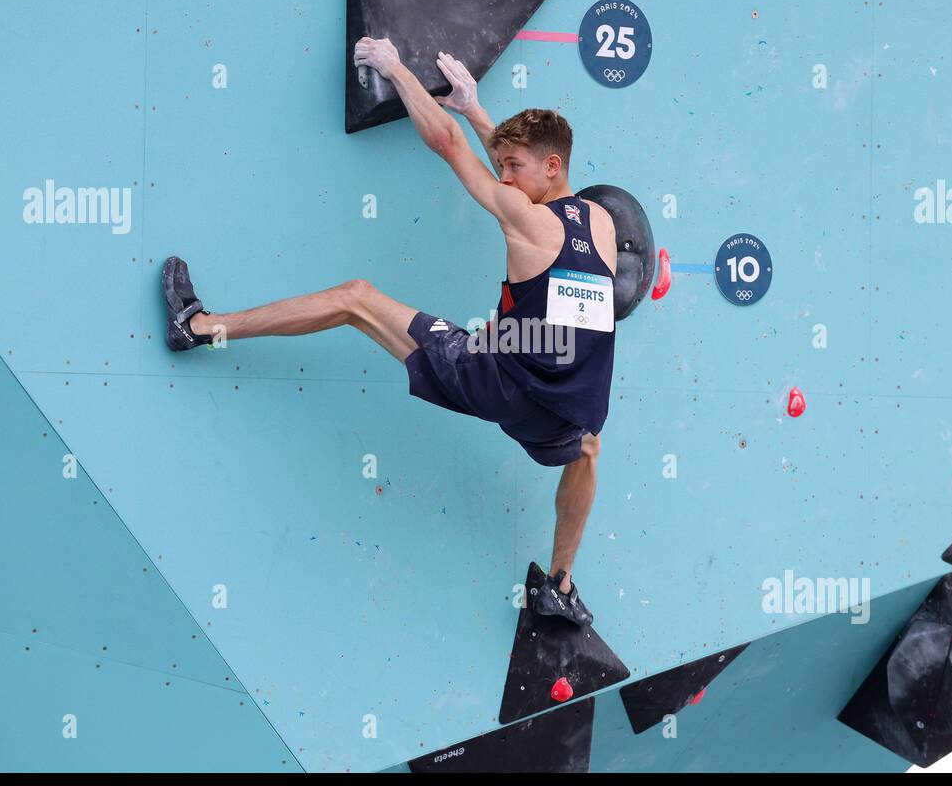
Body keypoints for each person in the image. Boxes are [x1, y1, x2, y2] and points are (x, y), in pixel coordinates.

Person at [162, 38, 617, 626]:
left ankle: (197, 327)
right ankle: (561, 584)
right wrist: (477, 109)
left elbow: (447, 145)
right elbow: (508, 173)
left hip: (498, 381)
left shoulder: (525, 220)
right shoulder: (599, 222)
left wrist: (394, 66)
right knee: (587, 450)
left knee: (356, 299)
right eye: (502, 164)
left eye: (513, 165)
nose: (503, 176)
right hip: (569, 410)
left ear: (550, 166)